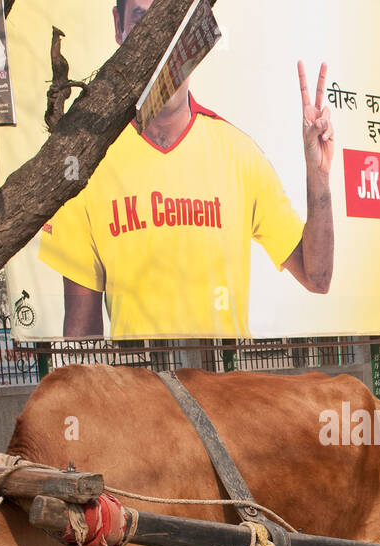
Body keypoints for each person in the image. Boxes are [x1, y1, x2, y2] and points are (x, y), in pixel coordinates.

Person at [39, 0, 335, 339]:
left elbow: (317, 277)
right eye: (139, 19)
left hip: (226, 388)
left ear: (193, 31)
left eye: (170, 19)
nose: (158, 36)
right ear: (118, 28)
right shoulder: (87, 166)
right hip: (140, 387)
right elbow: (81, 330)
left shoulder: (239, 155)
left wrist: (318, 175)